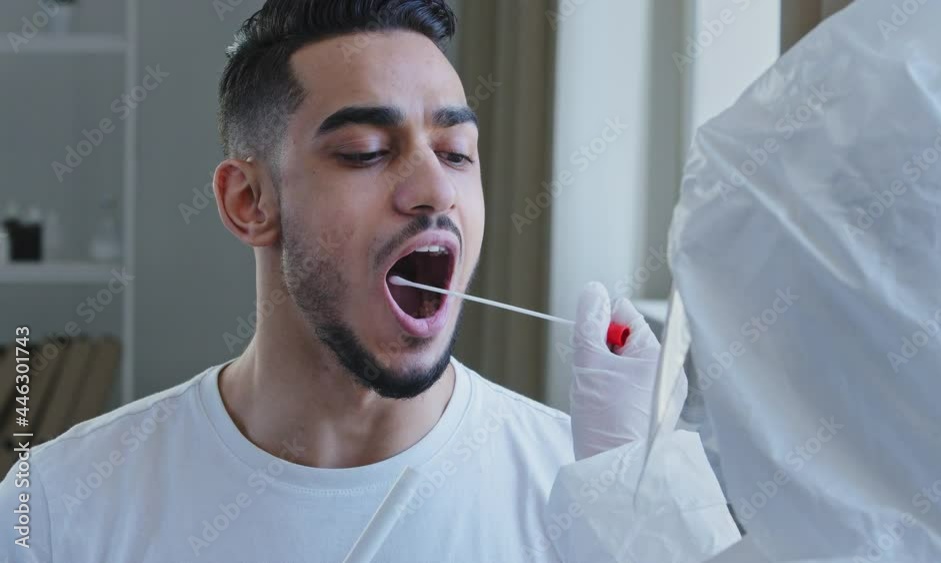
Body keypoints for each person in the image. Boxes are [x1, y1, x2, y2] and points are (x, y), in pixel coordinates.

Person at [0, 1, 664, 561]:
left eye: (457, 153)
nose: (436, 190)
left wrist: (643, 518)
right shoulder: (55, 507)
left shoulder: (587, 498)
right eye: (366, 153)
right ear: (249, 201)